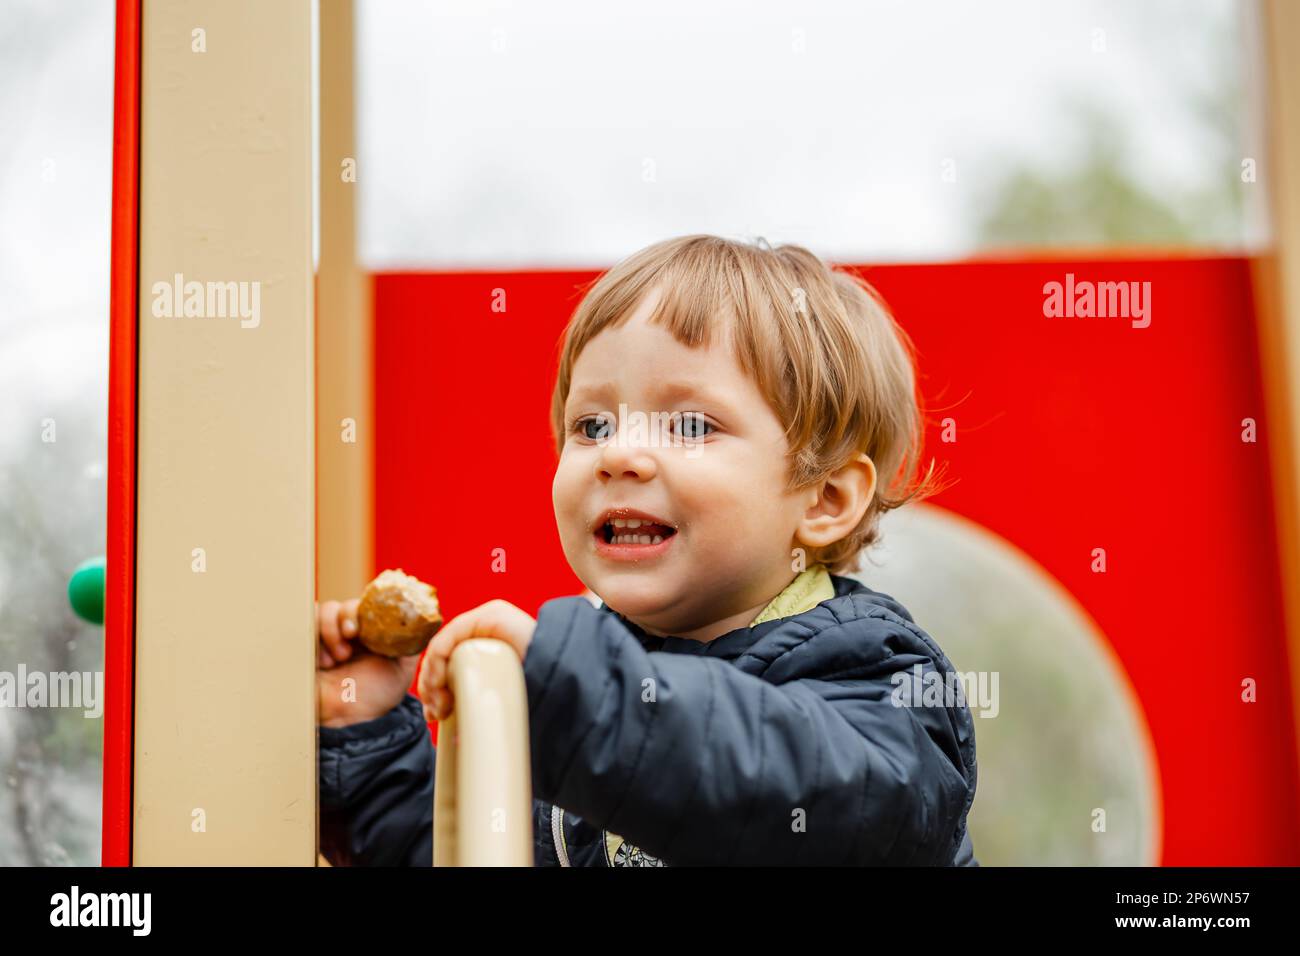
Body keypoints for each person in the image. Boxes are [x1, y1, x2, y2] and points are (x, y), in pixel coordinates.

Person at [317, 235, 978, 866]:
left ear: (825, 499)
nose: (620, 453)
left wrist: (580, 692)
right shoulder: (577, 704)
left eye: (690, 425)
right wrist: (367, 739)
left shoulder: (875, 679)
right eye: (592, 425)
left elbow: (819, 800)